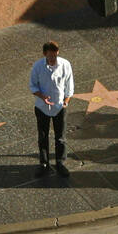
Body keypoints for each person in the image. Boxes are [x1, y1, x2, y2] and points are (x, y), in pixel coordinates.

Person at [29, 41, 74, 177]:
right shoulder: (37, 67)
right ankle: (44, 163)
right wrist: (42, 97)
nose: (53, 59)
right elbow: (33, 86)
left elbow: (69, 86)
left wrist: (66, 102)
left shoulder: (65, 65)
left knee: (60, 137)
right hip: (42, 107)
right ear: (45, 54)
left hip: (60, 107)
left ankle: (60, 163)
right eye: (50, 57)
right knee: (43, 136)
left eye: (55, 56)